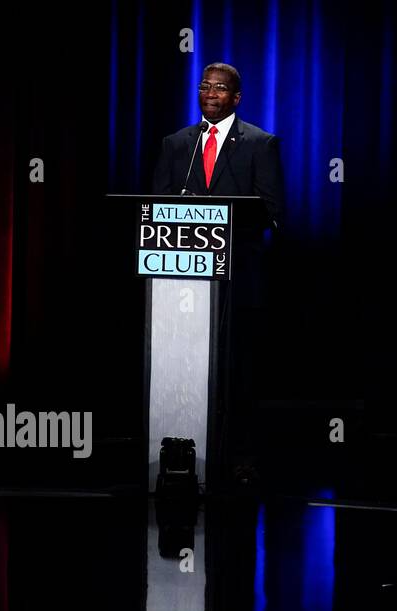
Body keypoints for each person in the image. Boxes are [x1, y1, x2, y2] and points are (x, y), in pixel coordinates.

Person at [152, 63, 286, 486]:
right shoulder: (176, 145)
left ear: (236, 98)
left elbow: (274, 213)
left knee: (240, 372)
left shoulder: (260, 144)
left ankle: (241, 458)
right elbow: (157, 212)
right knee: (184, 369)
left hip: (238, 281)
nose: (210, 93)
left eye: (220, 88)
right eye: (205, 86)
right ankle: (178, 450)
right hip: (182, 287)